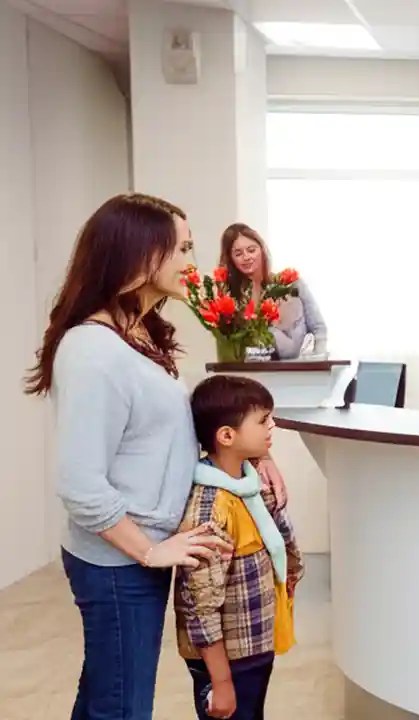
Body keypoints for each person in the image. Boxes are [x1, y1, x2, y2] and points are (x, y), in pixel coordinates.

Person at [24, 193, 234, 719]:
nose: (193, 263)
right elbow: (80, 484)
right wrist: (149, 551)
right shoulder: (94, 350)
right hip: (119, 561)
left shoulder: (138, 334)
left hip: (132, 552)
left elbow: (165, 433)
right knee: (122, 706)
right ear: (141, 254)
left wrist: (248, 457)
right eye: (181, 249)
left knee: (105, 693)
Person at [176, 375, 304, 720]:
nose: (272, 426)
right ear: (227, 436)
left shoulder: (250, 483)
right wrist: (221, 681)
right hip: (228, 659)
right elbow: (200, 606)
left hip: (253, 645)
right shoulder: (211, 509)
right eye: (263, 420)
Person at [220, 223, 327, 359]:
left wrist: (317, 363)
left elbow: (319, 329)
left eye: (251, 250)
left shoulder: (292, 284)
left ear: (262, 250)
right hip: (254, 374)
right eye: (238, 253)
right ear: (231, 259)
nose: (246, 257)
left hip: (298, 372)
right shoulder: (232, 299)